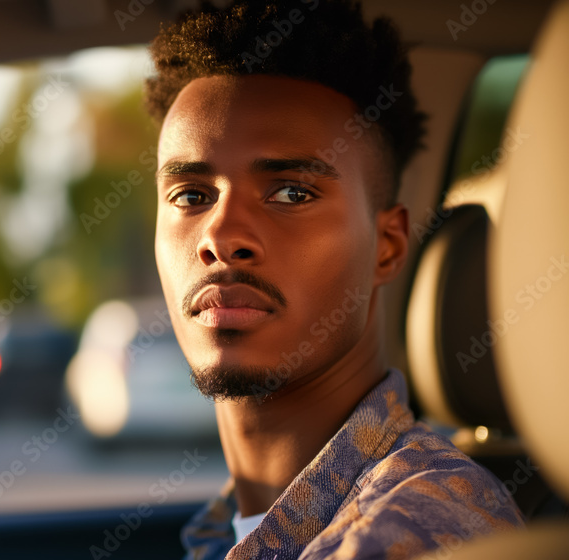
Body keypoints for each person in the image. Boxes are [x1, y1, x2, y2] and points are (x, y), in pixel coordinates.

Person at [142, 1, 525, 558]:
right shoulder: (231, 525)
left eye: (292, 193)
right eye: (191, 196)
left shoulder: (417, 531)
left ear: (387, 247)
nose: (220, 235)